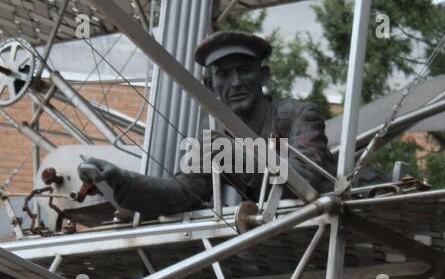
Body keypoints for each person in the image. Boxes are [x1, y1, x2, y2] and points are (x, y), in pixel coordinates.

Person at [76, 30, 337, 218]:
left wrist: (239, 157)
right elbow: (179, 193)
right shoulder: (214, 138)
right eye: (223, 74)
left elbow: (309, 177)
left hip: (320, 229)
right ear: (210, 85)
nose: (235, 83)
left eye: (244, 70)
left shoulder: (299, 116)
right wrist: (121, 179)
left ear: (263, 75)